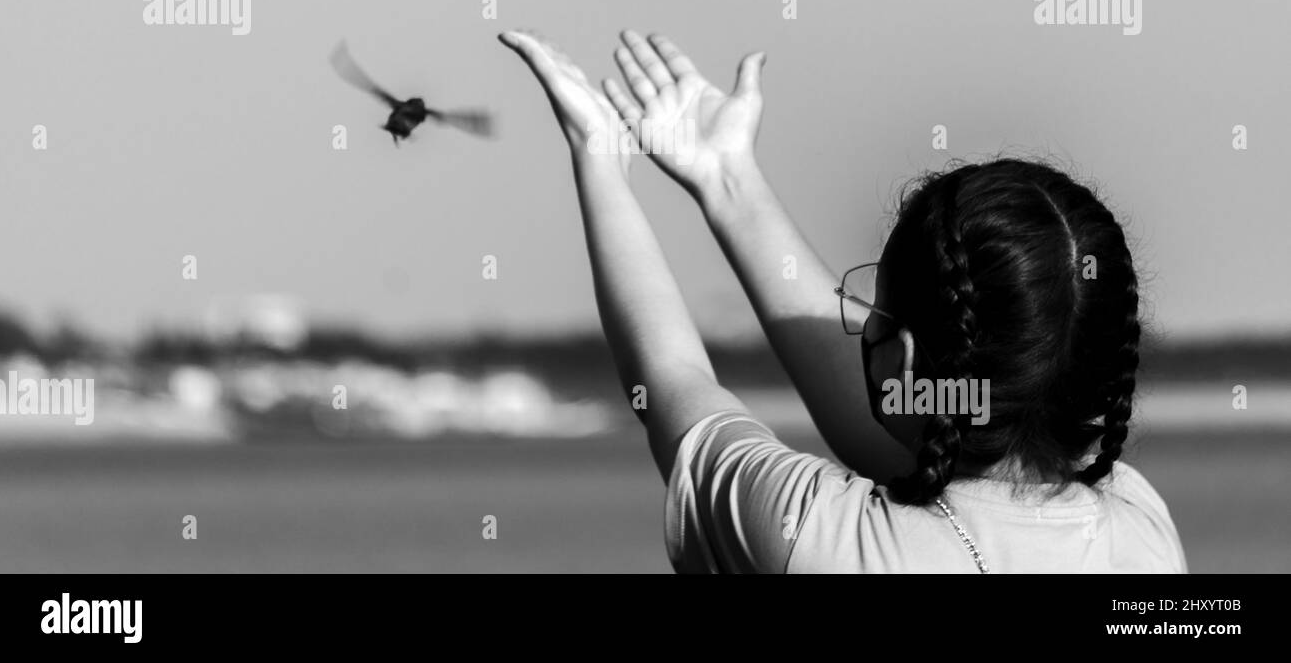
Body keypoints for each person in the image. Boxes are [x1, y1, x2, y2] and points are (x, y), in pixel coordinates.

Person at [499, 29, 1187, 574]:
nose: (855, 326)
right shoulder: (1141, 527)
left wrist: (600, 154)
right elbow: (935, 402)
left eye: (868, 311)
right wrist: (726, 179)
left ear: (906, 357)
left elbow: (673, 384)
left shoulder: (811, 535)